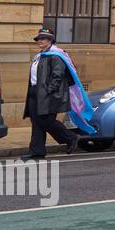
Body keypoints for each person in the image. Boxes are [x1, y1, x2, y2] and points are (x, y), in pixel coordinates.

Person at [22, 27, 80, 161]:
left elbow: (57, 75)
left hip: (47, 94)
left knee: (46, 120)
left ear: (50, 40)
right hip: (34, 92)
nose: (40, 41)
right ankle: (37, 151)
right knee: (36, 122)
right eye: (39, 39)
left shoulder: (55, 55)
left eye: (43, 39)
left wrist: (49, 90)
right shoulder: (40, 56)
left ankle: (71, 137)